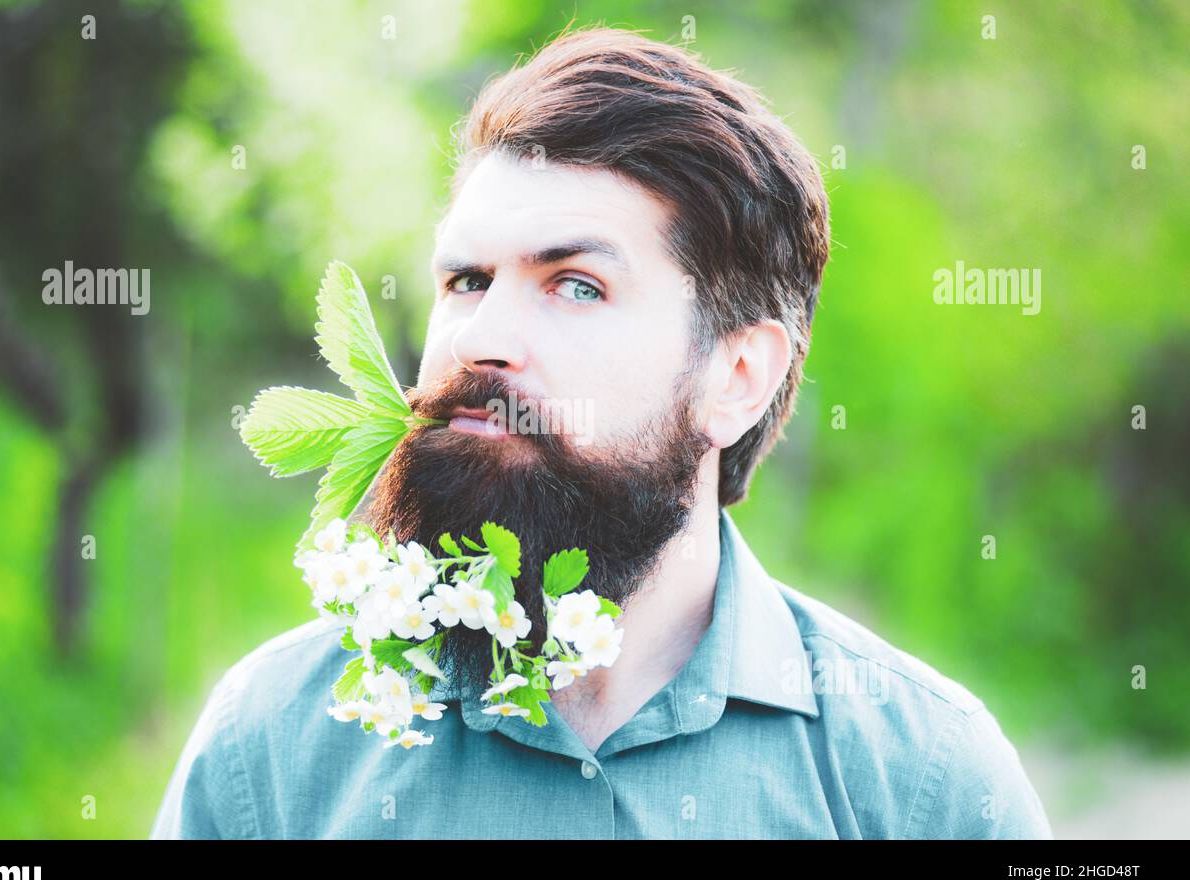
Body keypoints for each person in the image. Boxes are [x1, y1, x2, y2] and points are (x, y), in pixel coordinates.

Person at [151, 26, 1052, 839]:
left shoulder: (921, 783)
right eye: (466, 281)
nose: (480, 339)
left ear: (737, 378)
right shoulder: (270, 750)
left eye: (576, 284)